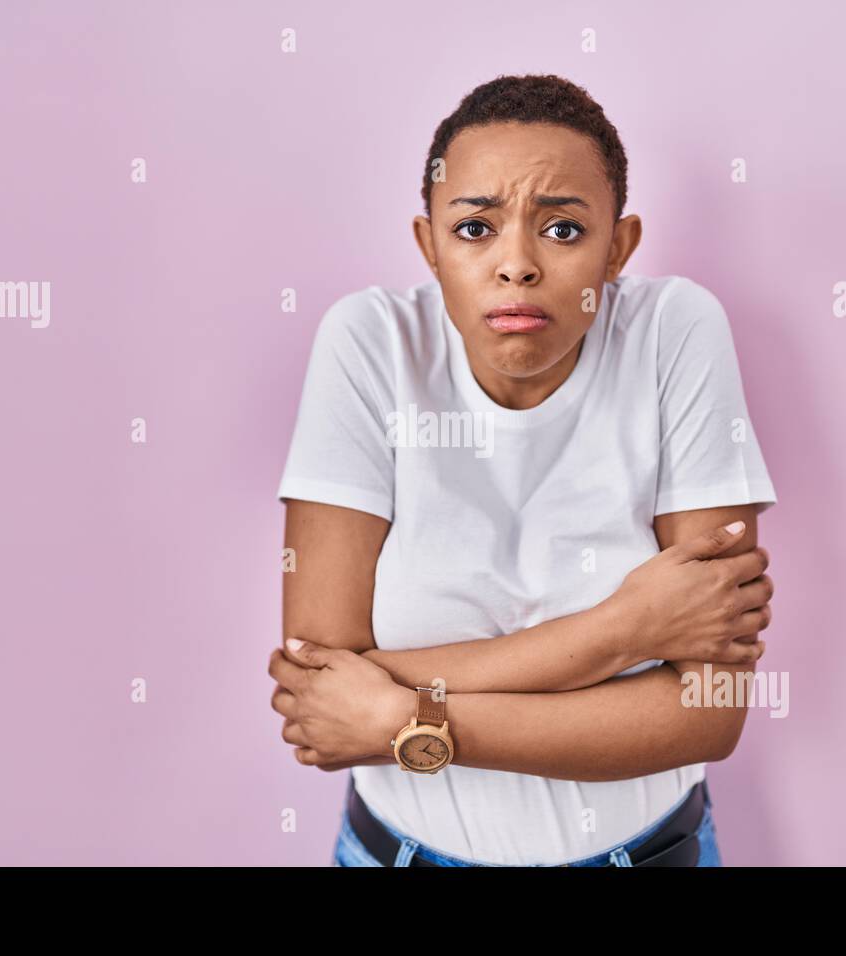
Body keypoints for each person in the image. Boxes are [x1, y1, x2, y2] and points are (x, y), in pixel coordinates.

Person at [270, 74, 777, 867]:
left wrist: (400, 721)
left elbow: (709, 711)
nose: (517, 265)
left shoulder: (674, 332)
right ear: (428, 243)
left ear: (620, 246)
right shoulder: (370, 346)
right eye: (474, 228)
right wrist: (624, 631)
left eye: (564, 231)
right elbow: (317, 682)